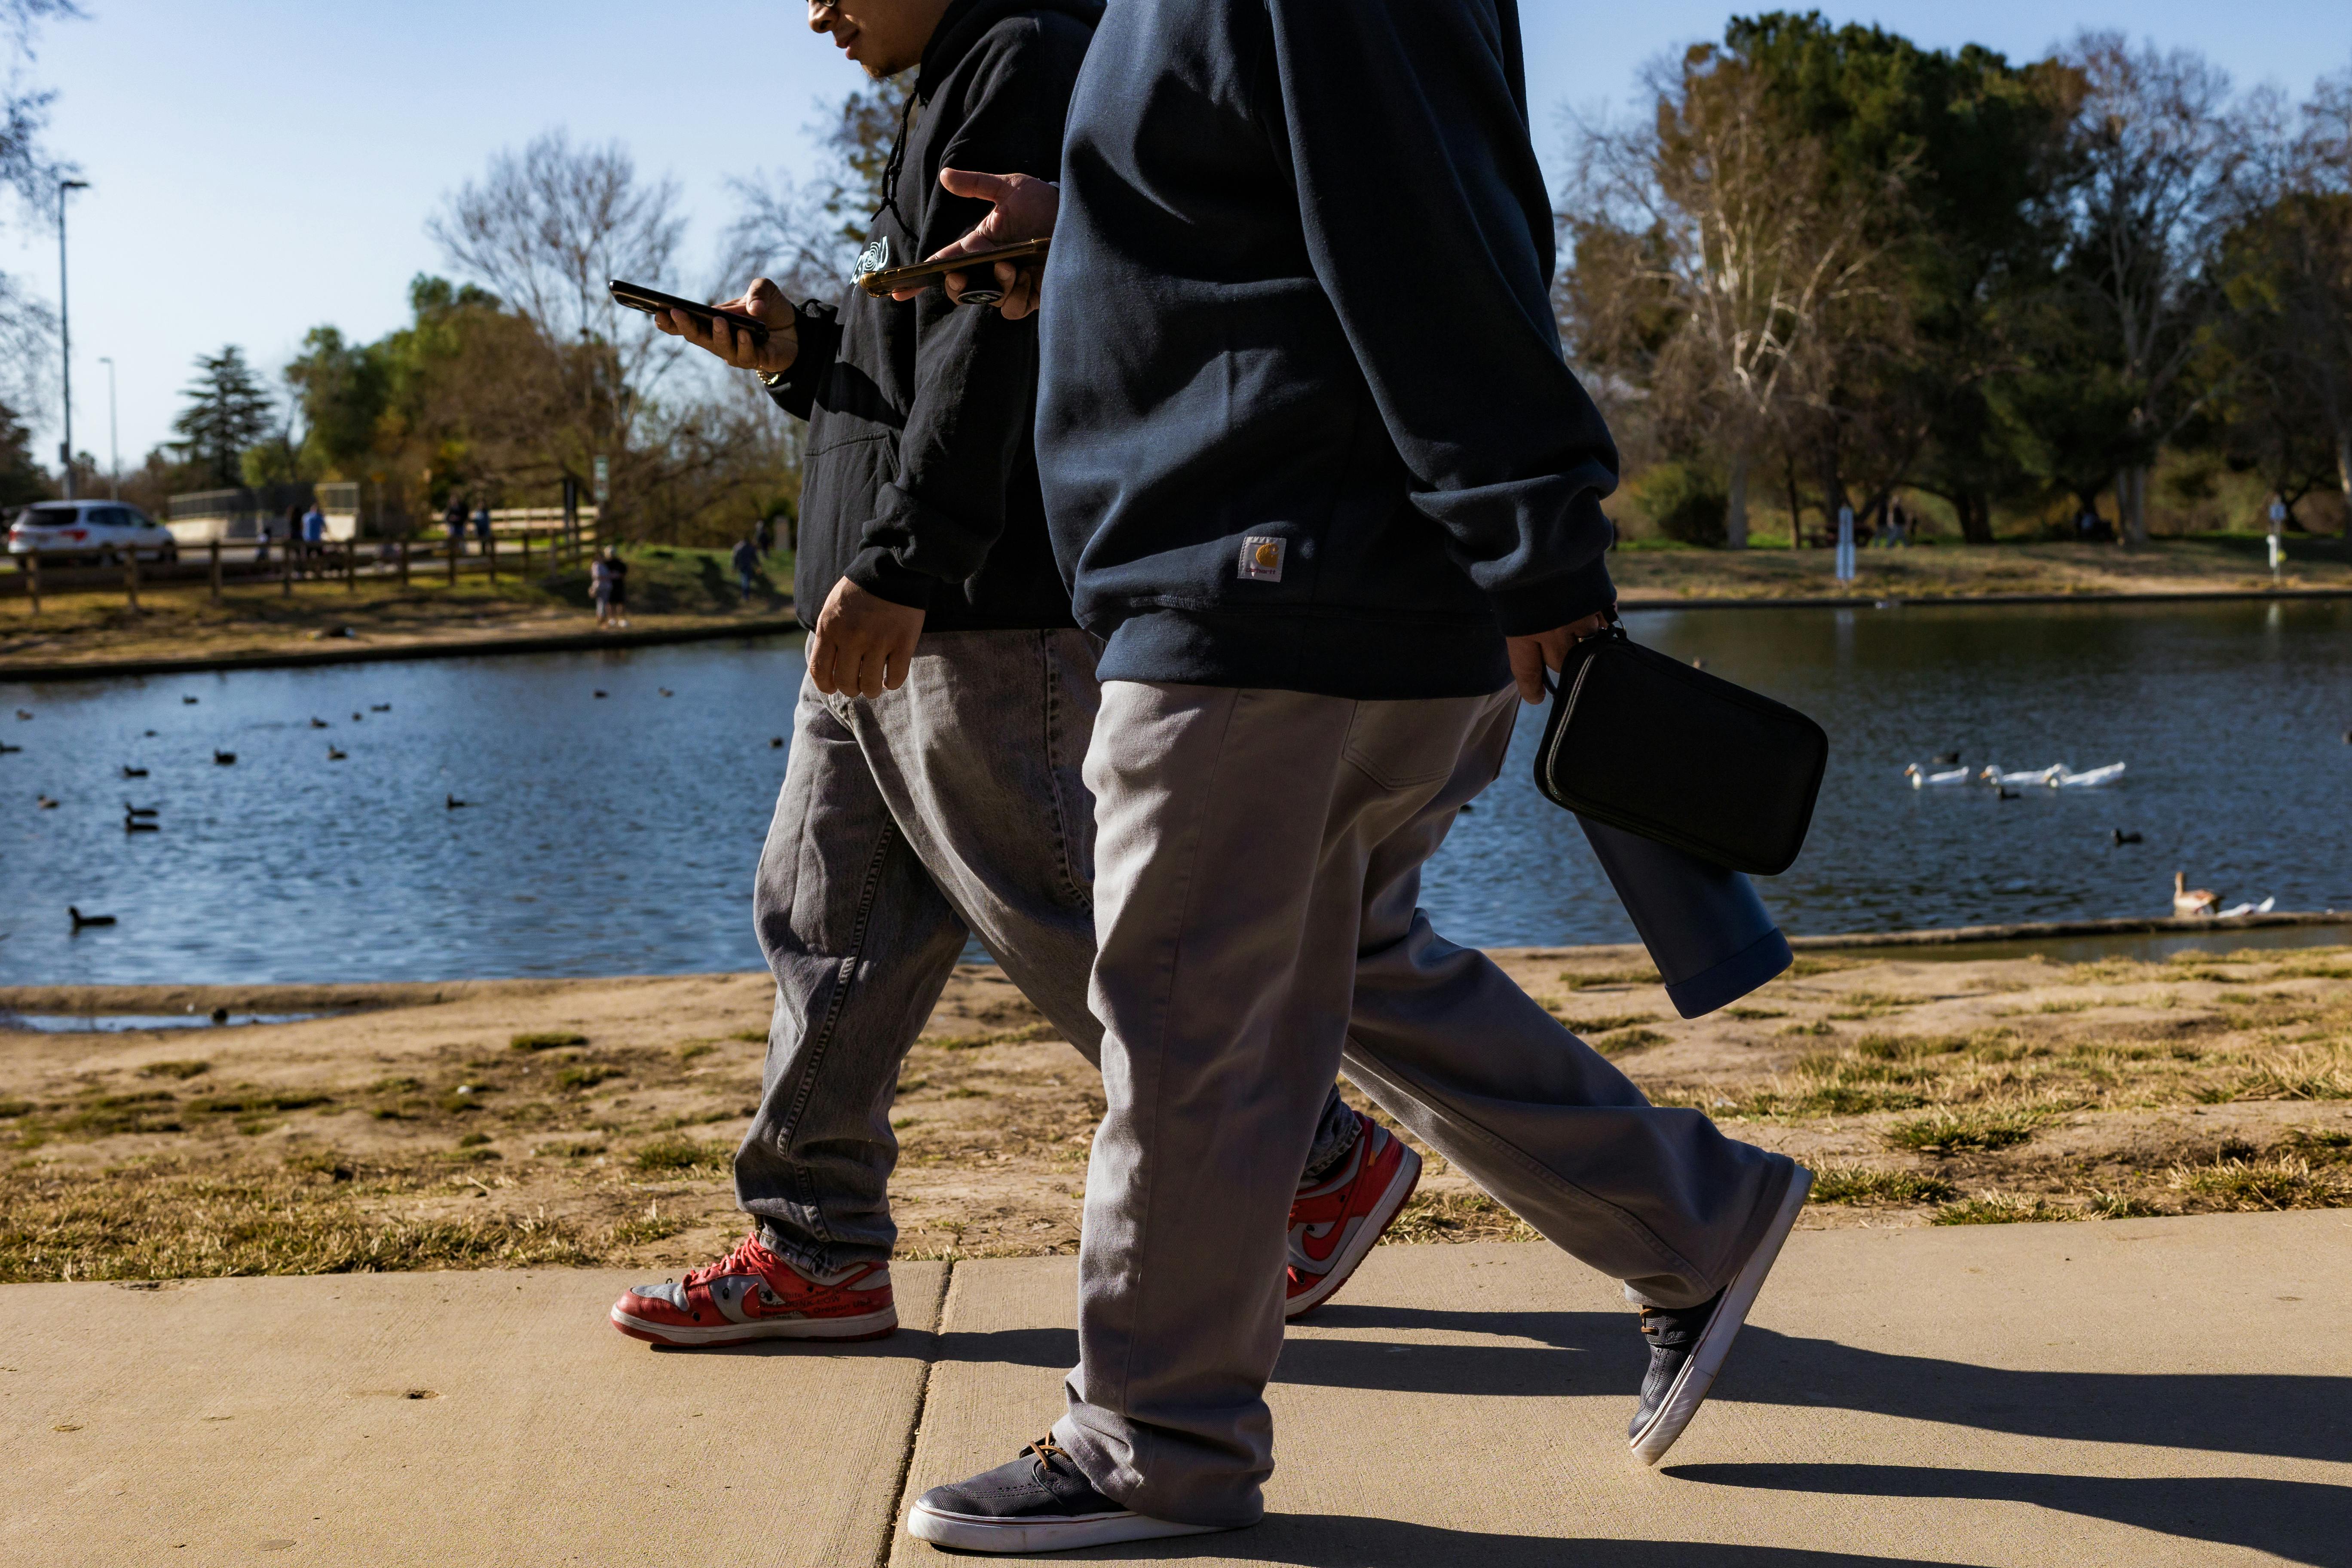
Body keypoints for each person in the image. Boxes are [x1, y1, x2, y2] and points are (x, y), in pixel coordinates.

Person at [906, 2, 1810, 1553]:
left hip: (1275, 574)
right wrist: (1095, 227)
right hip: (1287, 564)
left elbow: (1428, 214)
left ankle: (1154, 1442)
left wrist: (1536, 535)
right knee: (1340, 964)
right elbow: (1304, 196)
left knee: (1191, 1004)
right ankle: (1689, 1214)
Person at [603, 0, 1407, 1356]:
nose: (816, 13)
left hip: (967, 609)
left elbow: (1002, 345)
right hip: (885, 611)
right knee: (823, 929)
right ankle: (814, 1246)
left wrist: (911, 558)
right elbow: (925, 347)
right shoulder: (956, 78)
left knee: (1081, 922)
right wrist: (803, 356)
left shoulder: (1025, 56)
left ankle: (1315, 1159)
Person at [731, 533, 761, 602]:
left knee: (745, 580)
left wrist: (734, 568)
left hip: (741, 566)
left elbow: (735, 558)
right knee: (746, 580)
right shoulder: (750, 547)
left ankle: (745, 596)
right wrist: (758, 566)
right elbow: (755, 558)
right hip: (748, 566)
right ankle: (746, 596)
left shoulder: (737, 547)